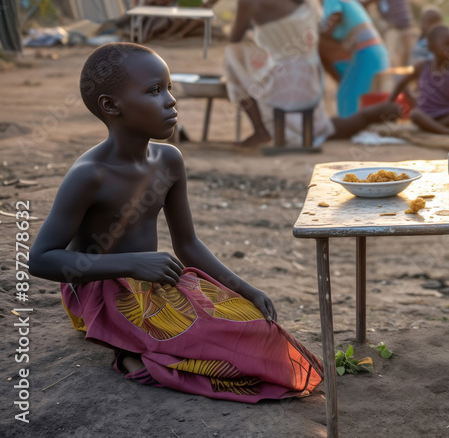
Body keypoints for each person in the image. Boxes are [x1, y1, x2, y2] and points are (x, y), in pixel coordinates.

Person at [28, 42, 323, 402]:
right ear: (111, 105)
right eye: (154, 91)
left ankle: (145, 347)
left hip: (154, 281)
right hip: (100, 289)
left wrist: (246, 290)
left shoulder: (169, 160)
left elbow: (188, 246)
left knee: (249, 326)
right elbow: (41, 259)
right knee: (199, 340)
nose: (170, 100)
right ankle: (136, 357)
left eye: (169, 87)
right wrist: (132, 263)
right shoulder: (90, 175)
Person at [226, 0, 400, 147]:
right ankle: (374, 114)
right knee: (327, 122)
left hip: (282, 81)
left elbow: (235, 38)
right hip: (311, 79)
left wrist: (257, 33)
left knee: (232, 55)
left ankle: (260, 129)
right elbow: (316, 31)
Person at [389, 23, 449, 138]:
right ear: (431, 47)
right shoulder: (422, 66)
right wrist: (391, 103)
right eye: (447, 44)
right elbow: (402, 83)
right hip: (425, 116)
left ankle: (437, 130)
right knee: (415, 114)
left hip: (446, 116)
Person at [319, 0, 390, 117]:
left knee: (348, 99)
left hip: (366, 52)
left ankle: (350, 129)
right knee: (355, 94)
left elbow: (335, 15)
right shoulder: (351, 1)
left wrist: (321, 32)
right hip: (376, 52)